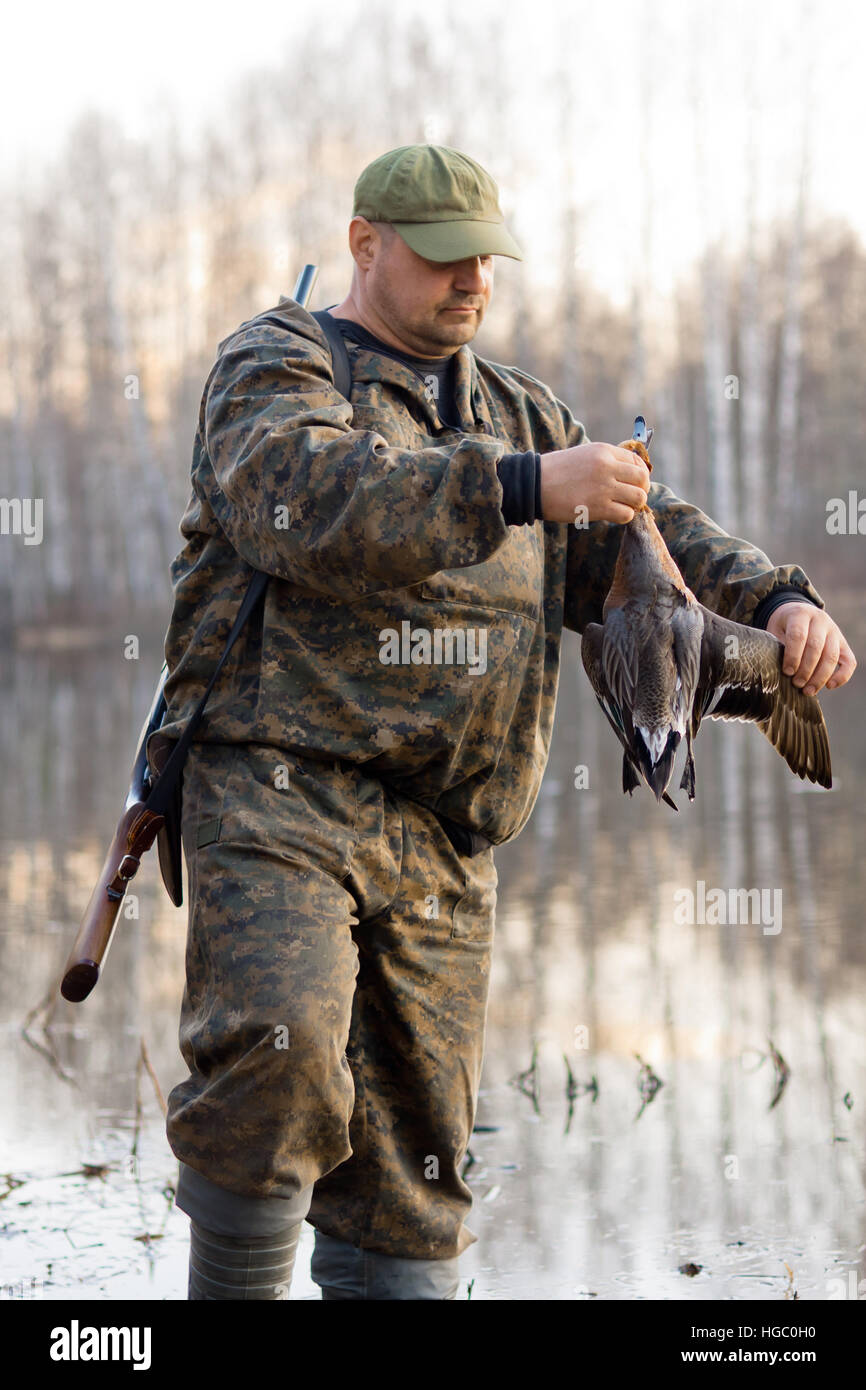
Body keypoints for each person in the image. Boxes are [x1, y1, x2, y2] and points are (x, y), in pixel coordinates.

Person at [153, 144, 855, 1300]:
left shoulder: (521, 410)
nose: (471, 279)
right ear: (365, 244)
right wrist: (522, 487)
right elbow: (306, 499)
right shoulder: (278, 363)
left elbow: (653, 533)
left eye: (485, 258)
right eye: (443, 257)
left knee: (415, 1166)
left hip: (447, 833)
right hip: (279, 798)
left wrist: (775, 600)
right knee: (274, 1067)